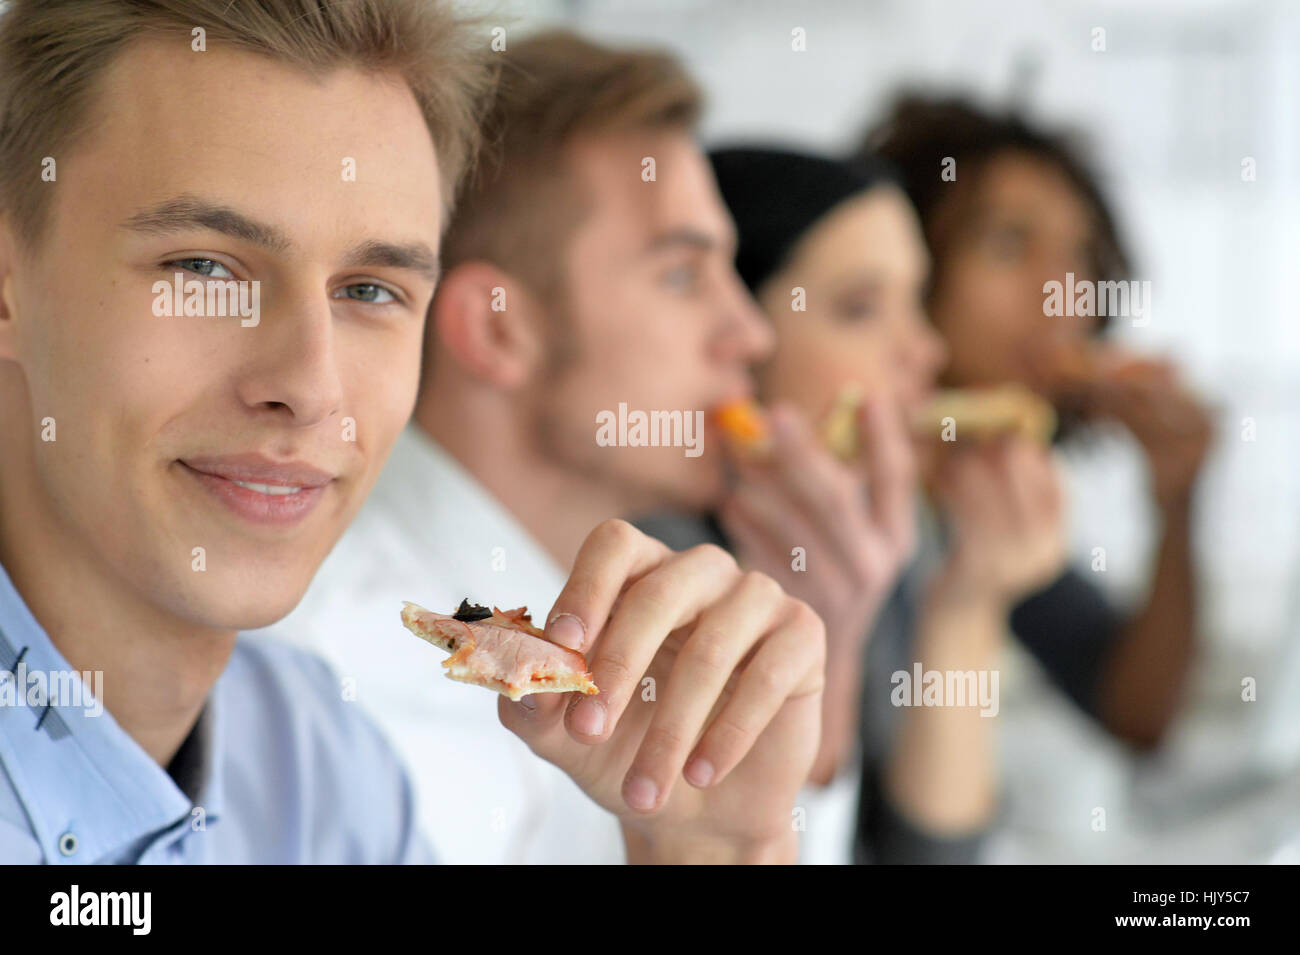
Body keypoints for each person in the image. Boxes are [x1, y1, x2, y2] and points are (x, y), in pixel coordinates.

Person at [0, 0, 825, 865]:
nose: (312, 388)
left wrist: (716, 846)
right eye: (205, 268)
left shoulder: (323, 766)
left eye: (369, 290)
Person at [265, 30, 913, 864]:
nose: (750, 334)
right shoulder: (327, 677)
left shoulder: (667, 639)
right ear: (498, 330)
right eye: (682, 275)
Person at [860, 94, 1212, 750]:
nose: (1062, 291)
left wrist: (1177, 501)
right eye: (1008, 243)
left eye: (1079, 255)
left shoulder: (979, 494)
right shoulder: (850, 497)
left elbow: (1135, 713)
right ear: (905, 259)